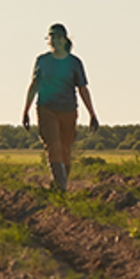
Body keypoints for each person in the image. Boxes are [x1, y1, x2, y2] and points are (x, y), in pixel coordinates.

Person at [22, 22, 100, 191]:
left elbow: (83, 89)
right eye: (52, 37)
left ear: (65, 40)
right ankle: (60, 187)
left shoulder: (75, 63)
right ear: (48, 40)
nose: (55, 41)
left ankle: (60, 184)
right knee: (54, 145)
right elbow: (34, 85)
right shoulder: (42, 61)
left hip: (69, 110)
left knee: (65, 148)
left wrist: (92, 114)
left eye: (58, 37)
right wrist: (26, 111)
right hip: (46, 108)